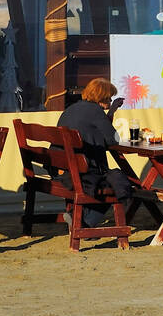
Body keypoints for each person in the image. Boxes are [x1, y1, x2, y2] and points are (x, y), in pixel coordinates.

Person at [57, 77, 133, 227]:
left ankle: (81, 220)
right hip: (82, 174)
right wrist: (109, 113)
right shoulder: (95, 111)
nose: (110, 102)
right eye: (109, 98)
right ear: (101, 97)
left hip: (64, 170)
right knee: (115, 183)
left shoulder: (71, 109)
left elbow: (99, 130)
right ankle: (83, 223)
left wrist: (111, 112)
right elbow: (113, 139)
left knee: (111, 180)